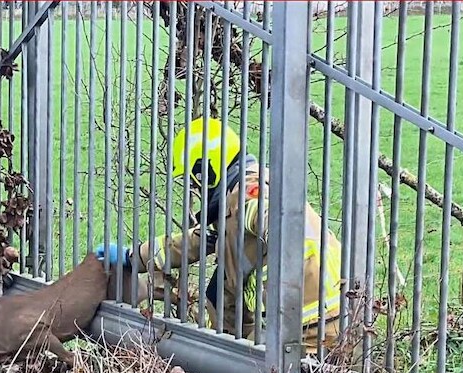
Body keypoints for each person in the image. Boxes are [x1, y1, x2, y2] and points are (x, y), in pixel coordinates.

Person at [96, 116, 342, 354]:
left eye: (194, 179)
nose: (195, 187)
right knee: (220, 287)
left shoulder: (247, 194)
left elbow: (275, 220)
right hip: (312, 318)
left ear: (206, 170)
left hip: (305, 327)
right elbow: (193, 242)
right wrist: (133, 256)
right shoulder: (234, 198)